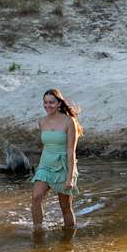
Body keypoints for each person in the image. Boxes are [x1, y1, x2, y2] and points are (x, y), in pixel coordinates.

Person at [31, 88, 82, 229]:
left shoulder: (69, 122)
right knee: (36, 198)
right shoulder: (41, 122)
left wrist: (70, 178)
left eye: (51, 103)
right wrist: (39, 168)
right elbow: (46, 146)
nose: (48, 106)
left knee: (65, 206)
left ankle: (70, 237)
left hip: (64, 166)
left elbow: (71, 151)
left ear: (59, 103)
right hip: (45, 166)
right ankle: (38, 232)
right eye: (45, 103)